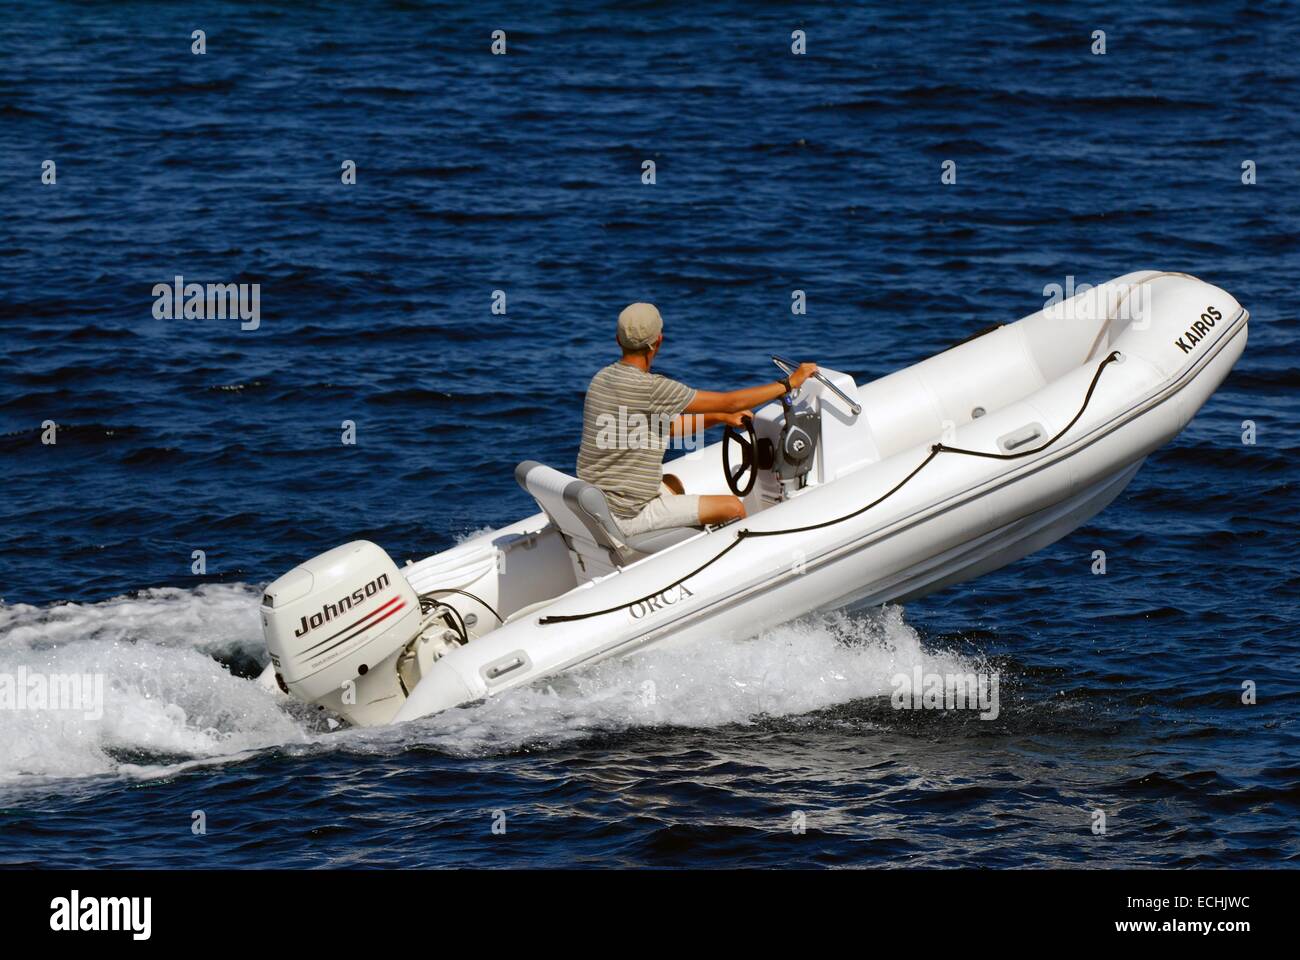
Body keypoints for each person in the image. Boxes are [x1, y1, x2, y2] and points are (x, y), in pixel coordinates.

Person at [576, 302, 817, 539]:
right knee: (733, 507)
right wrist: (789, 383)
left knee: (673, 483)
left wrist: (719, 418)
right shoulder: (651, 388)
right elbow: (731, 401)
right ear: (658, 342)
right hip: (627, 514)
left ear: (618, 340)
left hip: (597, 503)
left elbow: (664, 428)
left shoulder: (602, 379)